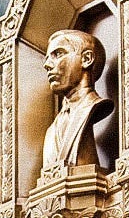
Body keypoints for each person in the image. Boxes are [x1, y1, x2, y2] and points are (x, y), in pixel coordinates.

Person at [39, 27, 113, 179]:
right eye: (47, 58)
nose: (47, 65)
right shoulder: (51, 130)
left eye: (57, 54)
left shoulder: (93, 106)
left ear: (86, 59)